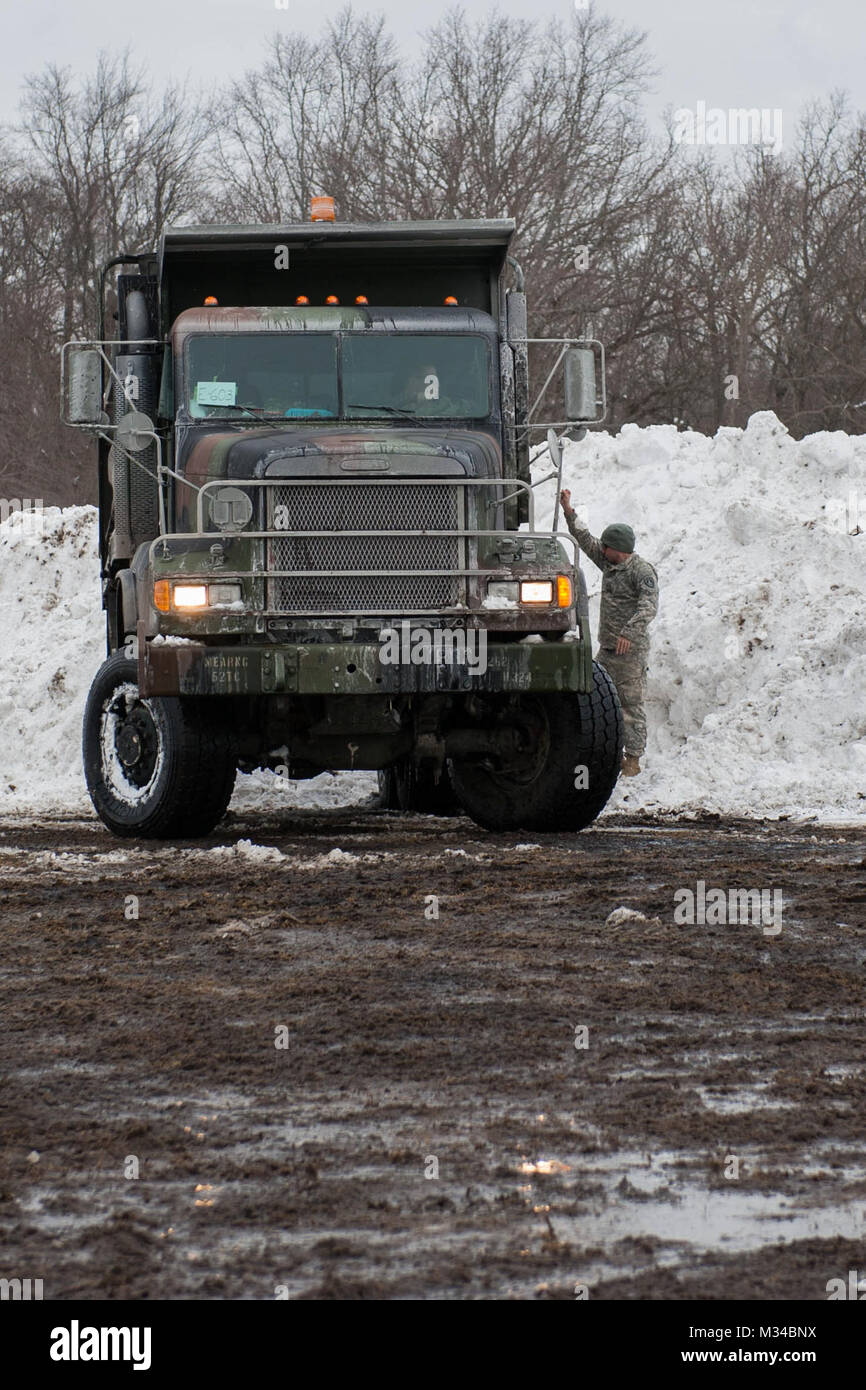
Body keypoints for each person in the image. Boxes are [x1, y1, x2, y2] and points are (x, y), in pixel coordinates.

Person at [560, 490, 658, 776]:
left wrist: (629, 632)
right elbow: (586, 540)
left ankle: (633, 760)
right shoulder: (610, 563)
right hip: (608, 649)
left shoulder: (641, 572)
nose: (602, 550)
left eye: (607, 547)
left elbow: (648, 607)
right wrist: (569, 511)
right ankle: (604, 752)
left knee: (630, 704)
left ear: (620, 549)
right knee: (597, 699)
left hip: (630, 652)